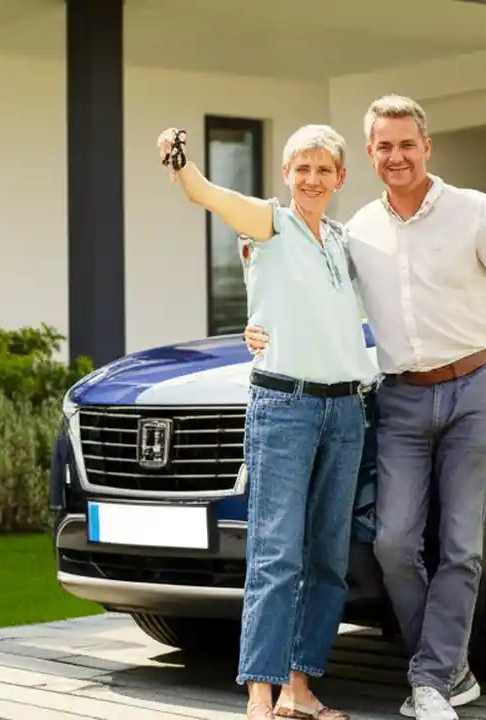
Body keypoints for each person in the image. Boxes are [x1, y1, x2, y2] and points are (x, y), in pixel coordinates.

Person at [245, 94, 486, 720]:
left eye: (407, 144)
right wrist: (255, 329)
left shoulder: (476, 211)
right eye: (384, 147)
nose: (397, 156)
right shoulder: (356, 231)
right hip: (400, 398)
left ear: (427, 147)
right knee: (393, 543)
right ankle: (448, 670)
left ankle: (428, 680)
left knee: (459, 545)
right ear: (368, 156)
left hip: (475, 387)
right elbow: (309, 292)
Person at [158, 123, 377, 720]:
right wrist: (179, 163)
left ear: (339, 178)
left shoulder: (340, 239)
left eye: (322, 169)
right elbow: (207, 194)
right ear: (286, 175)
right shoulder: (270, 222)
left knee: (329, 558)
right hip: (285, 405)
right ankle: (260, 695)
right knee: (277, 554)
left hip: (344, 409)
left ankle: (299, 692)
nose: (311, 178)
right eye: (300, 168)